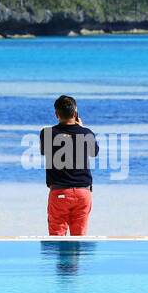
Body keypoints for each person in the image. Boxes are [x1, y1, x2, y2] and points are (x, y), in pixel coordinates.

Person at [39, 95, 98, 236]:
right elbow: (94, 152)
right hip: (83, 193)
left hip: (59, 192)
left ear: (56, 114)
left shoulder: (47, 133)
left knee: (57, 238)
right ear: (75, 113)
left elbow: (43, 152)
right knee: (80, 238)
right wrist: (82, 128)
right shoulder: (87, 133)